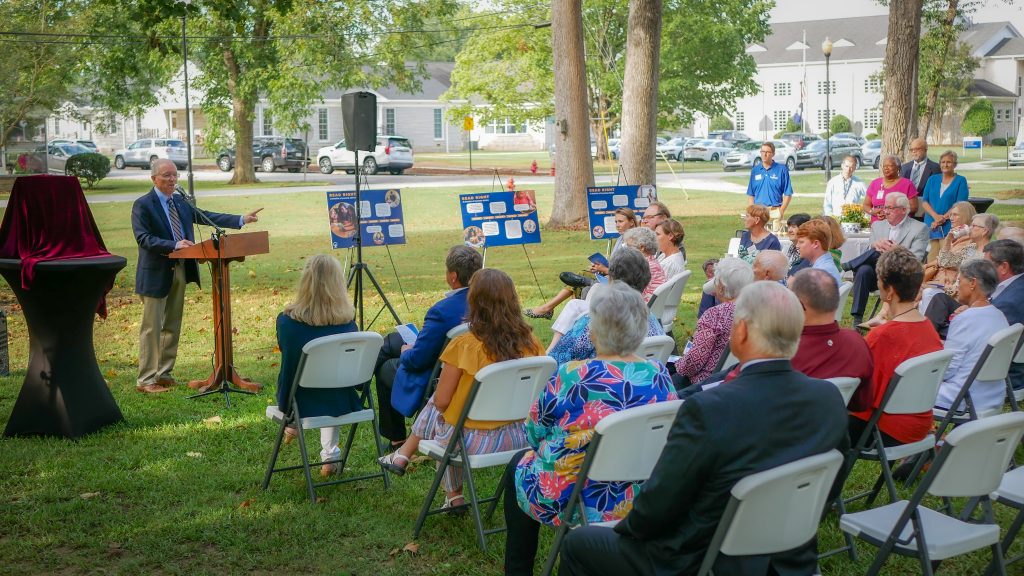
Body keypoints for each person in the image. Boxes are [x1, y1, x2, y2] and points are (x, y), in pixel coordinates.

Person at [558, 282, 848, 576]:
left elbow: (659, 505)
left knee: (578, 542)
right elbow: (829, 483)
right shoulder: (829, 399)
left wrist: (630, 528)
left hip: (699, 559)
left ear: (742, 331)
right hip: (788, 558)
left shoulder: (709, 409)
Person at [504, 282, 677, 576]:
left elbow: (533, 432)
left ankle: (517, 571)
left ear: (594, 331)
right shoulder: (659, 375)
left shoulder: (572, 375)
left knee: (516, 466)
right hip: (634, 493)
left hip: (571, 493)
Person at [377, 269, 544, 510]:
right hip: (520, 436)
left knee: (442, 409)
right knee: (450, 419)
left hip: (473, 442)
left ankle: (417, 463)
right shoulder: (533, 343)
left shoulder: (465, 345)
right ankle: (445, 489)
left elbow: (443, 402)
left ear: (473, 302)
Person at [131, 159, 262, 393]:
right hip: (155, 273)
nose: (172, 180)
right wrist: (173, 244)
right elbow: (144, 239)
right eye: (166, 175)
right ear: (154, 179)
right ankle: (146, 380)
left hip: (180, 268)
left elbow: (205, 216)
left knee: (172, 323)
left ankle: (164, 373)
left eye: (175, 175)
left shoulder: (180, 202)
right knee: (152, 327)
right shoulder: (143, 205)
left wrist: (240, 219)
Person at [373, 245, 482, 450]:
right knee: (392, 341)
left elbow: (418, 360)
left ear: (453, 276)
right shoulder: (488, 301)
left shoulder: (442, 311)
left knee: (387, 367)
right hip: (469, 364)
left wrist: (408, 353)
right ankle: (361, 381)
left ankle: (396, 439)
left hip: (441, 372)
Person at [848, 248, 943, 449]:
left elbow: (859, 393)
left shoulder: (883, 336)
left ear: (889, 290)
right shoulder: (928, 329)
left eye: (879, 280)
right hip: (919, 423)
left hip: (884, 428)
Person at [274, 255, 359, 477]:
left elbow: (289, 360)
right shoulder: (349, 324)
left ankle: (292, 423)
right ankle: (330, 457)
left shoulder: (287, 323)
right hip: (340, 398)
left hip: (298, 399)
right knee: (330, 384)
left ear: (305, 282)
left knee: (311, 381)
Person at [549, 247, 665, 365]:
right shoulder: (652, 320)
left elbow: (556, 359)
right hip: (644, 379)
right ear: (646, 281)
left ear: (611, 278)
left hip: (599, 380)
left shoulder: (594, 321)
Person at [527, 207, 638, 319]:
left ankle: (549, 308)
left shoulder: (634, 242)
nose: (617, 225)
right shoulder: (620, 239)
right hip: (609, 276)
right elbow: (615, 265)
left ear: (632, 222)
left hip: (619, 283)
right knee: (580, 277)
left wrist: (603, 269)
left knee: (579, 281)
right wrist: (600, 267)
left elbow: (626, 272)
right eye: (616, 222)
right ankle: (552, 309)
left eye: (621, 221)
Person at [790, 268, 874, 412]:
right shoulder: (858, 343)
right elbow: (862, 404)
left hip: (788, 431)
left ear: (800, 304)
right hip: (836, 429)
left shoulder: (785, 350)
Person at [936, 259, 1009, 415]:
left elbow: (948, 370)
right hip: (992, 394)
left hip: (962, 396)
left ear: (972, 283)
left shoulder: (965, 318)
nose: (957, 286)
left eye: (959, 280)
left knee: (902, 387)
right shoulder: (1000, 315)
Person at [845, 192, 930, 325]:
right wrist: (875, 245)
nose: (886, 211)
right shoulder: (877, 225)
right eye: (885, 207)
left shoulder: (920, 228)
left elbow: (917, 259)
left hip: (899, 276)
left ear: (903, 210)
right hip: (876, 274)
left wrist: (896, 251)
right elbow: (868, 248)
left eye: (890, 208)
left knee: (874, 256)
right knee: (864, 269)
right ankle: (857, 319)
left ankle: (850, 264)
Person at [673, 257, 753, 389]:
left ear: (721, 286)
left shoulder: (715, 315)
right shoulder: (757, 310)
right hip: (740, 378)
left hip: (705, 383)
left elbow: (695, 362)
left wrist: (678, 366)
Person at [919, 212, 996, 337]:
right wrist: (948, 239)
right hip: (955, 291)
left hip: (966, 299)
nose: (970, 228)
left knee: (928, 293)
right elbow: (944, 261)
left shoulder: (988, 255)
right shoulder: (971, 248)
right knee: (925, 292)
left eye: (974, 226)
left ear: (985, 231)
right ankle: (925, 333)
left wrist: (945, 289)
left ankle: (925, 336)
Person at [984, 239, 1024, 392]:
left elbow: (984, 340)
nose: (982, 269)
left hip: (1003, 376)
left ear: (1004, 267)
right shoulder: (1015, 285)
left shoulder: (1009, 302)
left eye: (986, 265)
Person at [922, 201, 980, 296]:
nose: (951, 218)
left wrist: (948, 240)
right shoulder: (956, 236)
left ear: (966, 216)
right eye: (951, 215)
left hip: (948, 283)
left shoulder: (970, 241)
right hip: (938, 279)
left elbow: (944, 261)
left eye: (955, 215)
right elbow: (941, 259)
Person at [920, 150, 970, 258]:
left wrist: (942, 219)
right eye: (943, 162)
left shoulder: (961, 181)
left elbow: (960, 204)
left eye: (949, 162)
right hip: (931, 224)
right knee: (931, 257)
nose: (945, 165)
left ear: (955, 164)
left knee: (945, 256)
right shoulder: (932, 179)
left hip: (949, 225)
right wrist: (935, 217)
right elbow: (924, 201)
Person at [746, 141, 793, 234]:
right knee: (758, 239)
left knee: (775, 240)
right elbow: (751, 194)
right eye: (762, 152)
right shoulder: (755, 170)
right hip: (758, 213)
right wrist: (752, 211)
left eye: (767, 152)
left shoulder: (781, 170)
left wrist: (781, 210)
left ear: (773, 154)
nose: (764, 154)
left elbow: (788, 193)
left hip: (775, 211)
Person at [863, 155, 917, 223]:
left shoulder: (907, 184)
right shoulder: (875, 183)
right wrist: (872, 211)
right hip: (877, 224)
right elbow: (866, 205)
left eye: (890, 165)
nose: (886, 168)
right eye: (884, 166)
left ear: (898, 168)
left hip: (899, 225)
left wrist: (893, 212)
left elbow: (914, 207)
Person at [622, 227, 667, 301]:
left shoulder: (644, 267)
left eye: (629, 246)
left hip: (643, 307)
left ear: (641, 247)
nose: (626, 250)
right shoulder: (652, 262)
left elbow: (631, 292)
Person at [901, 137, 941, 218]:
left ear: (925, 150)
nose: (914, 151)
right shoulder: (905, 168)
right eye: (912, 149)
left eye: (917, 149)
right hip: (906, 213)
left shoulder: (936, 168)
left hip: (926, 213)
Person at [794, 219, 842, 285]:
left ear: (816, 244)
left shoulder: (821, 273)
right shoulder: (824, 266)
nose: (797, 246)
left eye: (801, 242)